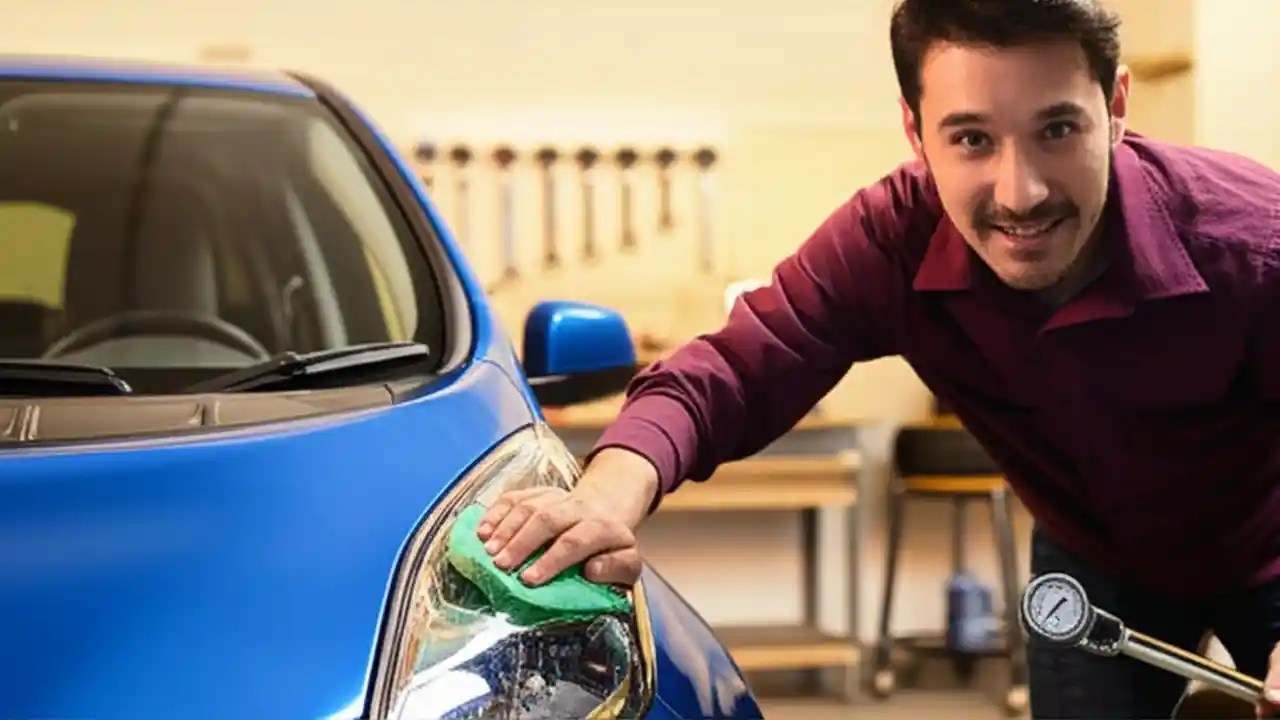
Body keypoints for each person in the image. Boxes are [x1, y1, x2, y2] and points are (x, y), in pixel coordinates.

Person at [476, 0, 1280, 716]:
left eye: (1058, 129)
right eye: (971, 139)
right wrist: (604, 498)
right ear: (915, 133)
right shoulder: (891, 240)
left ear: (1117, 107)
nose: (1021, 193)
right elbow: (735, 370)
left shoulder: (1253, 244)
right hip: (1092, 558)